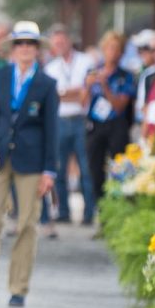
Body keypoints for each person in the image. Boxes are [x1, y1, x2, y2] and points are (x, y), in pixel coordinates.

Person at [0, 21, 59, 308]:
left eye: (31, 44)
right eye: (20, 43)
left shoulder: (47, 84)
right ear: (12, 48)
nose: (25, 49)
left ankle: (19, 288)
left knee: (27, 224)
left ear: (37, 49)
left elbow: (52, 128)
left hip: (32, 159)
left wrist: (49, 170)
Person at [43, 24, 95, 225]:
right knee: (60, 167)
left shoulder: (85, 61)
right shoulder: (51, 67)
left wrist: (67, 93)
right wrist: (75, 91)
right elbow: (55, 96)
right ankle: (63, 210)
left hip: (81, 119)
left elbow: (87, 90)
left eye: (62, 41)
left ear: (69, 41)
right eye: (56, 43)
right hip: (60, 120)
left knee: (85, 167)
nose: (60, 45)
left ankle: (89, 211)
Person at [85, 31, 135, 201]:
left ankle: (118, 204)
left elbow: (120, 106)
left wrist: (105, 86)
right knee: (94, 169)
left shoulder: (125, 76)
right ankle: (100, 207)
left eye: (116, 48)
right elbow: (82, 102)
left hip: (117, 124)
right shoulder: (93, 71)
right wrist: (87, 86)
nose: (112, 52)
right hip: (96, 125)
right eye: (109, 48)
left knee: (119, 167)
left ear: (121, 52)